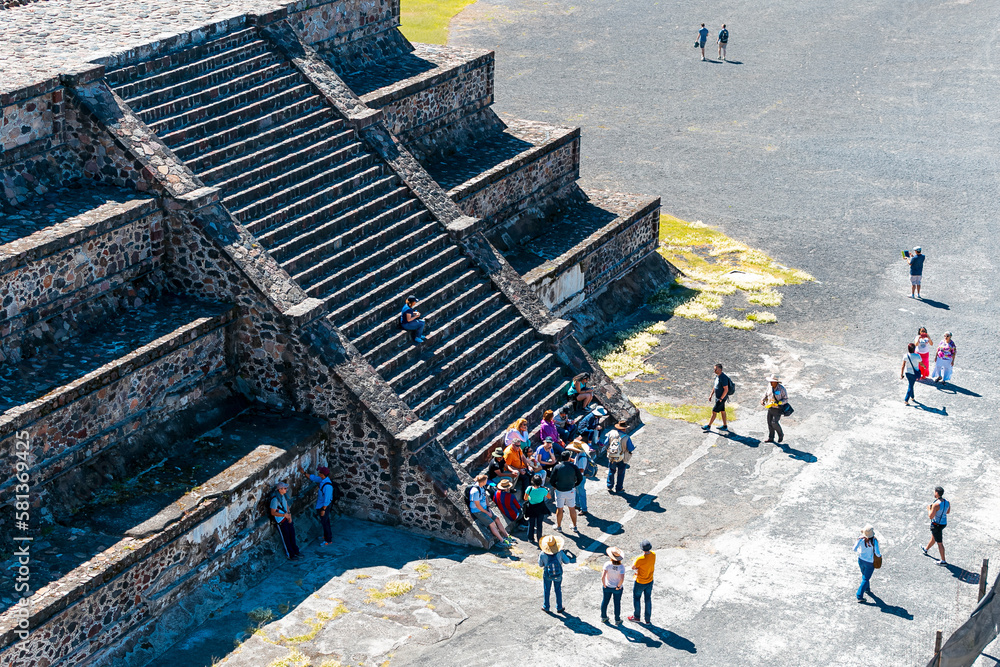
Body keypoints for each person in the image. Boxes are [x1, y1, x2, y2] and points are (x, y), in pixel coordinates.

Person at [469, 474, 513, 546]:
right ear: (483, 481)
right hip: (478, 511)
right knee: (492, 523)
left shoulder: (482, 486)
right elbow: (477, 505)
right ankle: (502, 540)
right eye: (486, 480)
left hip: (485, 508)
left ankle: (506, 535)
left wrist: (488, 507)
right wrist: (486, 512)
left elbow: (485, 496)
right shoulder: (475, 491)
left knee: (497, 519)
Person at [298, 463, 334, 546]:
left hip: (324, 506)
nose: (318, 473)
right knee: (325, 521)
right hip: (321, 505)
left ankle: (328, 540)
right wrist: (304, 473)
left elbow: (327, 500)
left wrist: (323, 510)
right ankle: (326, 536)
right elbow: (313, 478)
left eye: (319, 472)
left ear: (322, 474)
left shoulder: (327, 486)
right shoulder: (323, 480)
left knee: (325, 523)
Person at [550, 451, 582, 533]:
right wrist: (574, 485)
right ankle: (574, 526)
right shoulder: (573, 466)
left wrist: (556, 486)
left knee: (559, 509)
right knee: (572, 508)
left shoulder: (557, 467)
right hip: (570, 490)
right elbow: (580, 478)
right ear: (569, 458)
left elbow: (551, 480)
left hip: (560, 491)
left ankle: (559, 526)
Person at [269, 482, 303, 560]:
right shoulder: (275, 500)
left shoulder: (282, 496)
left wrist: (289, 515)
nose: (286, 490)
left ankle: (296, 551)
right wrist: (284, 515)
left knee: (292, 535)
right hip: (281, 521)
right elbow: (273, 512)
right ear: (280, 489)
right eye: (284, 488)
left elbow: (286, 505)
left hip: (287, 517)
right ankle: (290, 554)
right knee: (286, 538)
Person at [538, 535, 571, 613]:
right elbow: (567, 561)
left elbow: (540, 564)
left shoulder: (542, 553)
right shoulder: (560, 552)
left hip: (547, 574)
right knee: (558, 590)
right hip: (558, 574)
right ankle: (559, 607)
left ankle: (546, 606)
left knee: (547, 590)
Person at [629, 539, 655, 624]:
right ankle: (647, 619)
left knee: (636, 598)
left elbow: (633, 567)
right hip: (650, 580)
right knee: (648, 599)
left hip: (640, 582)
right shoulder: (653, 555)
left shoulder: (640, 559)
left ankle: (637, 616)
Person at [605, 421, 635, 494]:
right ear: (624, 429)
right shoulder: (626, 438)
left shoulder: (611, 433)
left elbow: (605, 443)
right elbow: (630, 448)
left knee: (611, 471)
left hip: (612, 456)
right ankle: (619, 488)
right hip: (622, 457)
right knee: (621, 473)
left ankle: (609, 486)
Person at [853, 525, 881, 602]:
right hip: (870, 562)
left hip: (861, 560)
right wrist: (880, 556)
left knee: (864, 575)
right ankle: (859, 596)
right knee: (865, 578)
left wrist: (861, 552)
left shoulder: (860, 539)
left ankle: (867, 589)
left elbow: (854, 549)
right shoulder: (874, 541)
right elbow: (877, 553)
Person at [923, 486, 951, 565]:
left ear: (937, 493)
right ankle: (926, 549)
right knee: (934, 537)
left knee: (939, 542)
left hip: (937, 524)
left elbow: (930, 516)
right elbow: (948, 512)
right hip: (943, 523)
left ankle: (943, 561)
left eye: (935, 492)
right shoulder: (947, 502)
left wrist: (929, 509)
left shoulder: (936, 504)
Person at [702, 363, 732, 432]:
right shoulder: (717, 376)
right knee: (722, 411)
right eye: (714, 369)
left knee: (714, 411)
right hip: (718, 398)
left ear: (720, 370)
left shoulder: (723, 378)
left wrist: (721, 398)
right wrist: (711, 395)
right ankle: (725, 426)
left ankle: (708, 426)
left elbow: (726, 389)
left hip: (721, 399)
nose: (714, 370)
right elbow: (715, 386)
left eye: (716, 369)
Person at [601, 546, 627, 624]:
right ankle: (617, 619)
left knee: (605, 601)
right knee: (617, 603)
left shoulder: (607, 564)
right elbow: (622, 578)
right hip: (617, 588)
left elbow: (603, 576)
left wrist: (604, 584)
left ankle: (604, 617)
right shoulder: (621, 567)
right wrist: (618, 586)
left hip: (608, 586)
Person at [523, 474, 550, 543]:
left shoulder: (529, 489)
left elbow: (525, 498)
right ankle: (539, 538)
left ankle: (530, 538)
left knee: (531, 523)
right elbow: (549, 497)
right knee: (539, 523)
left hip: (531, 508)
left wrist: (530, 498)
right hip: (540, 508)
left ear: (532, 482)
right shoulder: (543, 490)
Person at [761, 374, 787, 444]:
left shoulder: (781, 389)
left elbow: (786, 399)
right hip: (770, 407)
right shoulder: (770, 387)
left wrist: (779, 402)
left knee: (774, 423)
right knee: (769, 423)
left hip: (778, 409)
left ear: (776, 382)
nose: (771, 383)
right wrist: (762, 400)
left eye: (772, 381)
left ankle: (780, 434)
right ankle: (771, 438)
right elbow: (766, 394)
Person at [568, 440, 591, 515]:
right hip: (577, 477)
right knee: (577, 491)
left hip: (580, 477)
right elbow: (576, 462)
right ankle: (577, 505)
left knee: (581, 492)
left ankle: (584, 509)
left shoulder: (582, 457)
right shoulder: (579, 454)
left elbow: (581, 469)